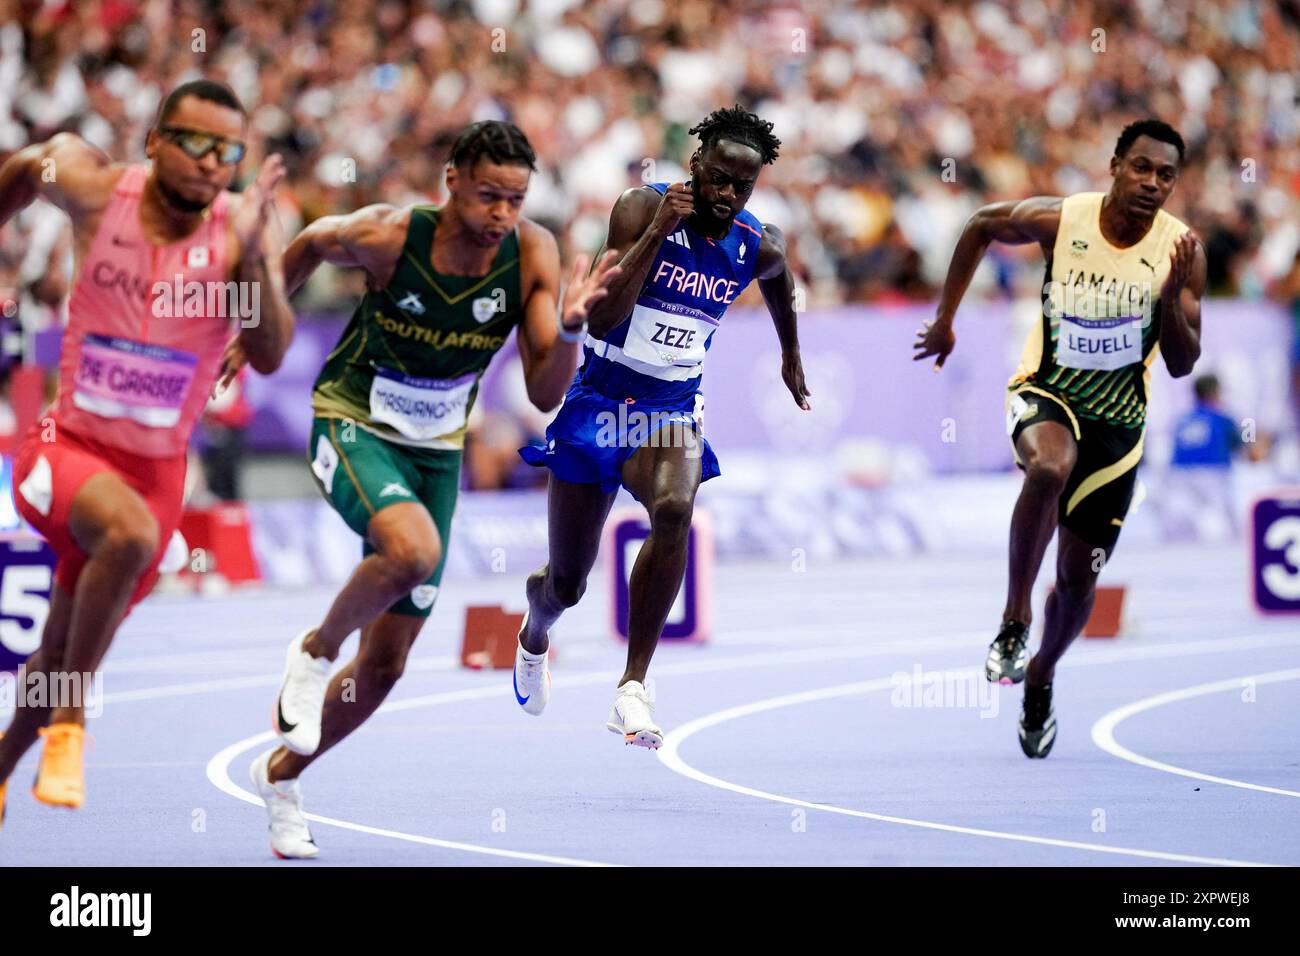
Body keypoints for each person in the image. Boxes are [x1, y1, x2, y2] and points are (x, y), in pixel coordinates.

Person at [244, 120, 619, 859]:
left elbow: (545, 392)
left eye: (515, 199)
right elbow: (314, 241)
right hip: (353, 419)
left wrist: (572, 330)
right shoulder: (389, 236)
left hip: (436, 452)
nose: (502, 215)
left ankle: (282, 776)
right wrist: (251, 323)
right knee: (410, 552)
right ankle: (314, 651)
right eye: (487, 196)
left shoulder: (530, 254)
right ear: (452, 181)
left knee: (387, 665)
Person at [0, 79, 291, 824]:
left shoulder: (238, 235)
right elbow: (26, 169)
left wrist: (255, 258)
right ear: (156, 140)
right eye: (193, 142)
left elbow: (270, 352)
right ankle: (72, 725)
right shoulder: (95, 188)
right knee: (126, 537)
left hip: (156, 475)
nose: (209, 163)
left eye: (227, 151)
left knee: (62, 647)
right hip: (63, 447)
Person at [514, 105, 811, 749]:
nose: (728, 195)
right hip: (601, 401)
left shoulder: (755, 244)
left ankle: (632, 687)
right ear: (694, 165)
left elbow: (781, 281)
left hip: (671, 407)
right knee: (566, 582)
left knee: (676, 509)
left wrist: (790, 353)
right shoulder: (636, 208)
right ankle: (535, 633)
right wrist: (658, 230)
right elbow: (600, 318)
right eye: (718, 180)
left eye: (744, 186)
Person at [913, 119, 1205, 758]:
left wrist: (1169, 300)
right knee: (1048, 466)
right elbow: (981, 224)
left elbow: (1183, 363)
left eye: (1165, 175)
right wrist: (945, 319)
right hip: (1046, 392)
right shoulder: (1061, 220)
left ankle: (1042, 671)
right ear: (1114, 166)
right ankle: (1015, 620)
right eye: (1141, 168)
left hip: (1119, 429)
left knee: (1077, 581)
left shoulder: (1182, 250)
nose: (1152, 183)